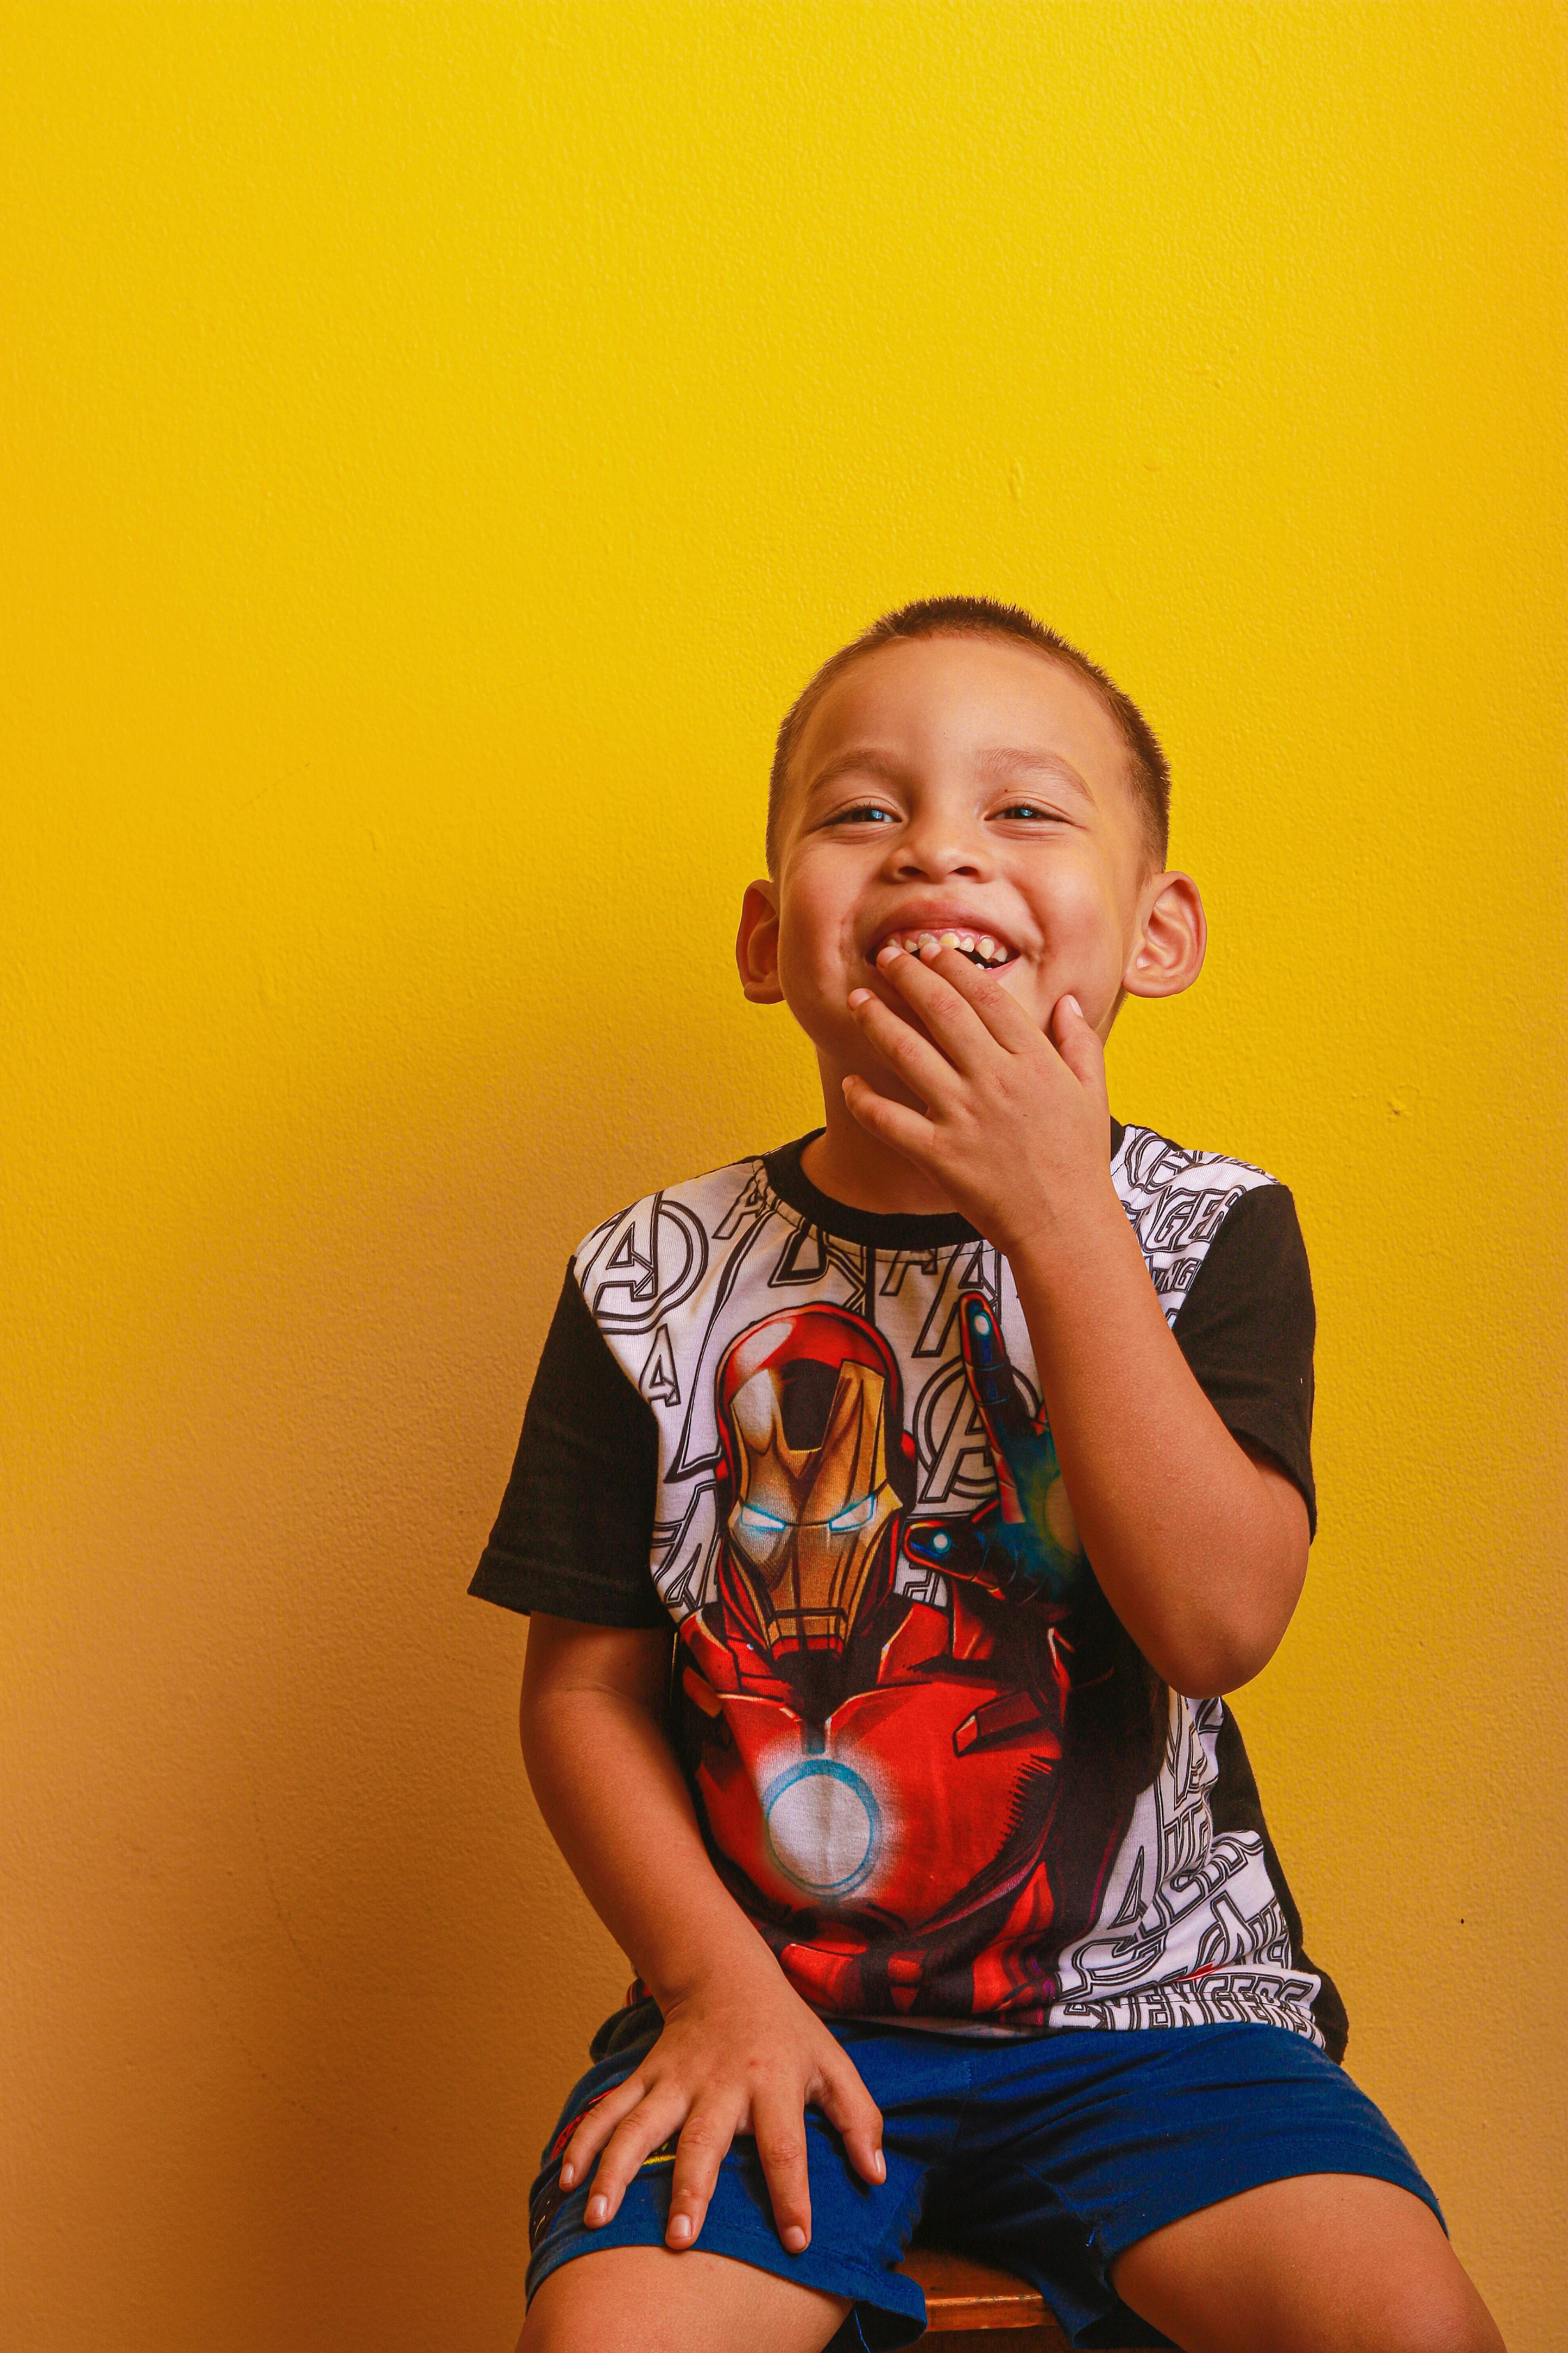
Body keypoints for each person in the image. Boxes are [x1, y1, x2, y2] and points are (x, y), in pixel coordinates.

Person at [472, 600, 1503, 2352]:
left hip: (1167, 2021)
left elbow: (1216, 1621)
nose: (937, 844)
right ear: (760, 933)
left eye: (1023, 811)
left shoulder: (1208, 1233)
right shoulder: (646, 1271)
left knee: (1408, 2328)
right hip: (768, 2007)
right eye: (862, 811)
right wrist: (712, 1992)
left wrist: (1052, 1210)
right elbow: (580, 1696)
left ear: (1157, 933)